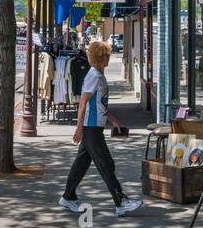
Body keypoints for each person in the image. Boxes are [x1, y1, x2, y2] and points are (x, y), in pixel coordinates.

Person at [59, 39, 143, 217]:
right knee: (106, 164)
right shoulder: (94, 76)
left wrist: (113, 120)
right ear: (99, 58)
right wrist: (79, 128)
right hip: (90, 128)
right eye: (105, 56)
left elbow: (99, 104)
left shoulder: (98, 75)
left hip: (95, 126)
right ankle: (121, 202)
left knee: (81, 165)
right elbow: (83, 102)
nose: (107, 58)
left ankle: (68, 196)